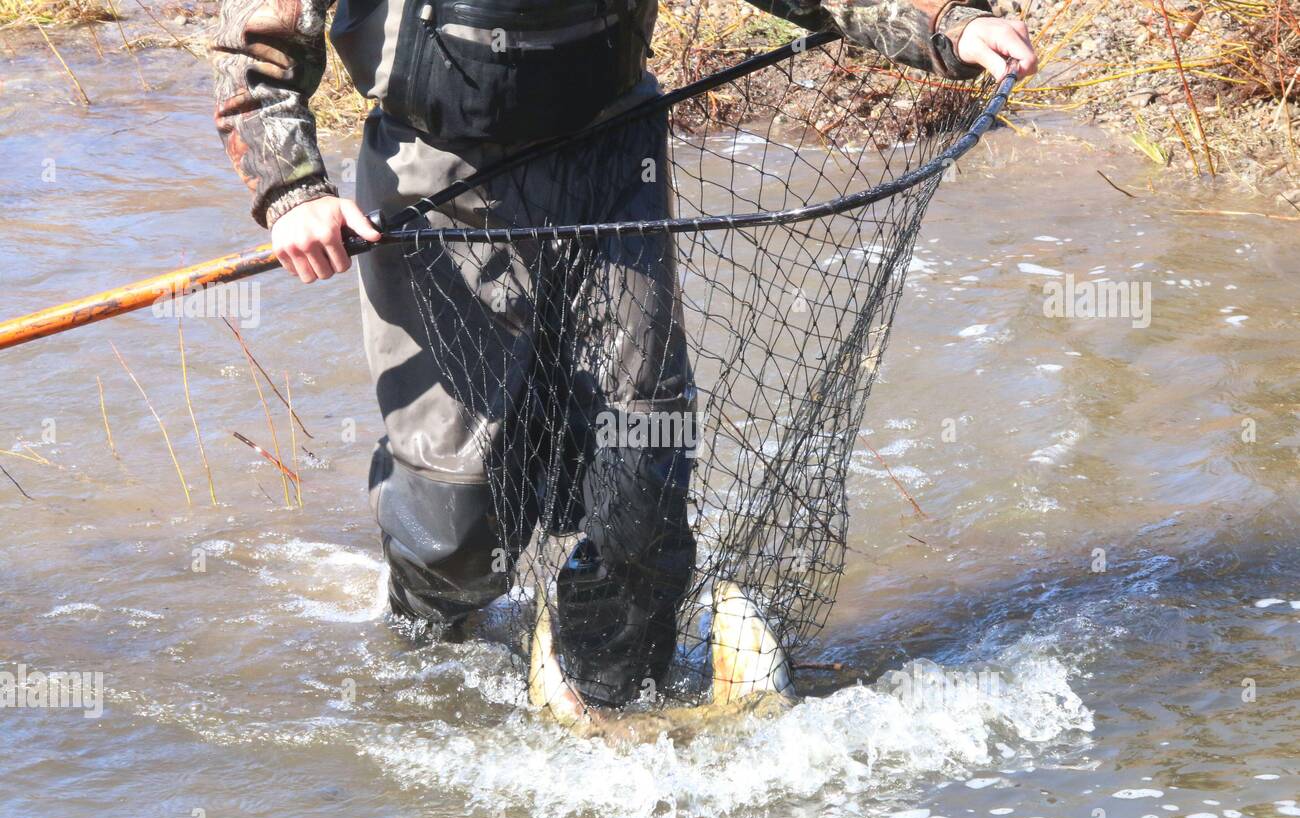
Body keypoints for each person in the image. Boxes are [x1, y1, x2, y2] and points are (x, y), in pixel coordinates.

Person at [212, 0, 1038, 709]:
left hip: (615, 164)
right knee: (455, 523)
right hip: (437, 184)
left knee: (640, 472)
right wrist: (293, 192)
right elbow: (255, 46)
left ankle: (615, 706)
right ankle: (430, 679)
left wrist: (949, 23)